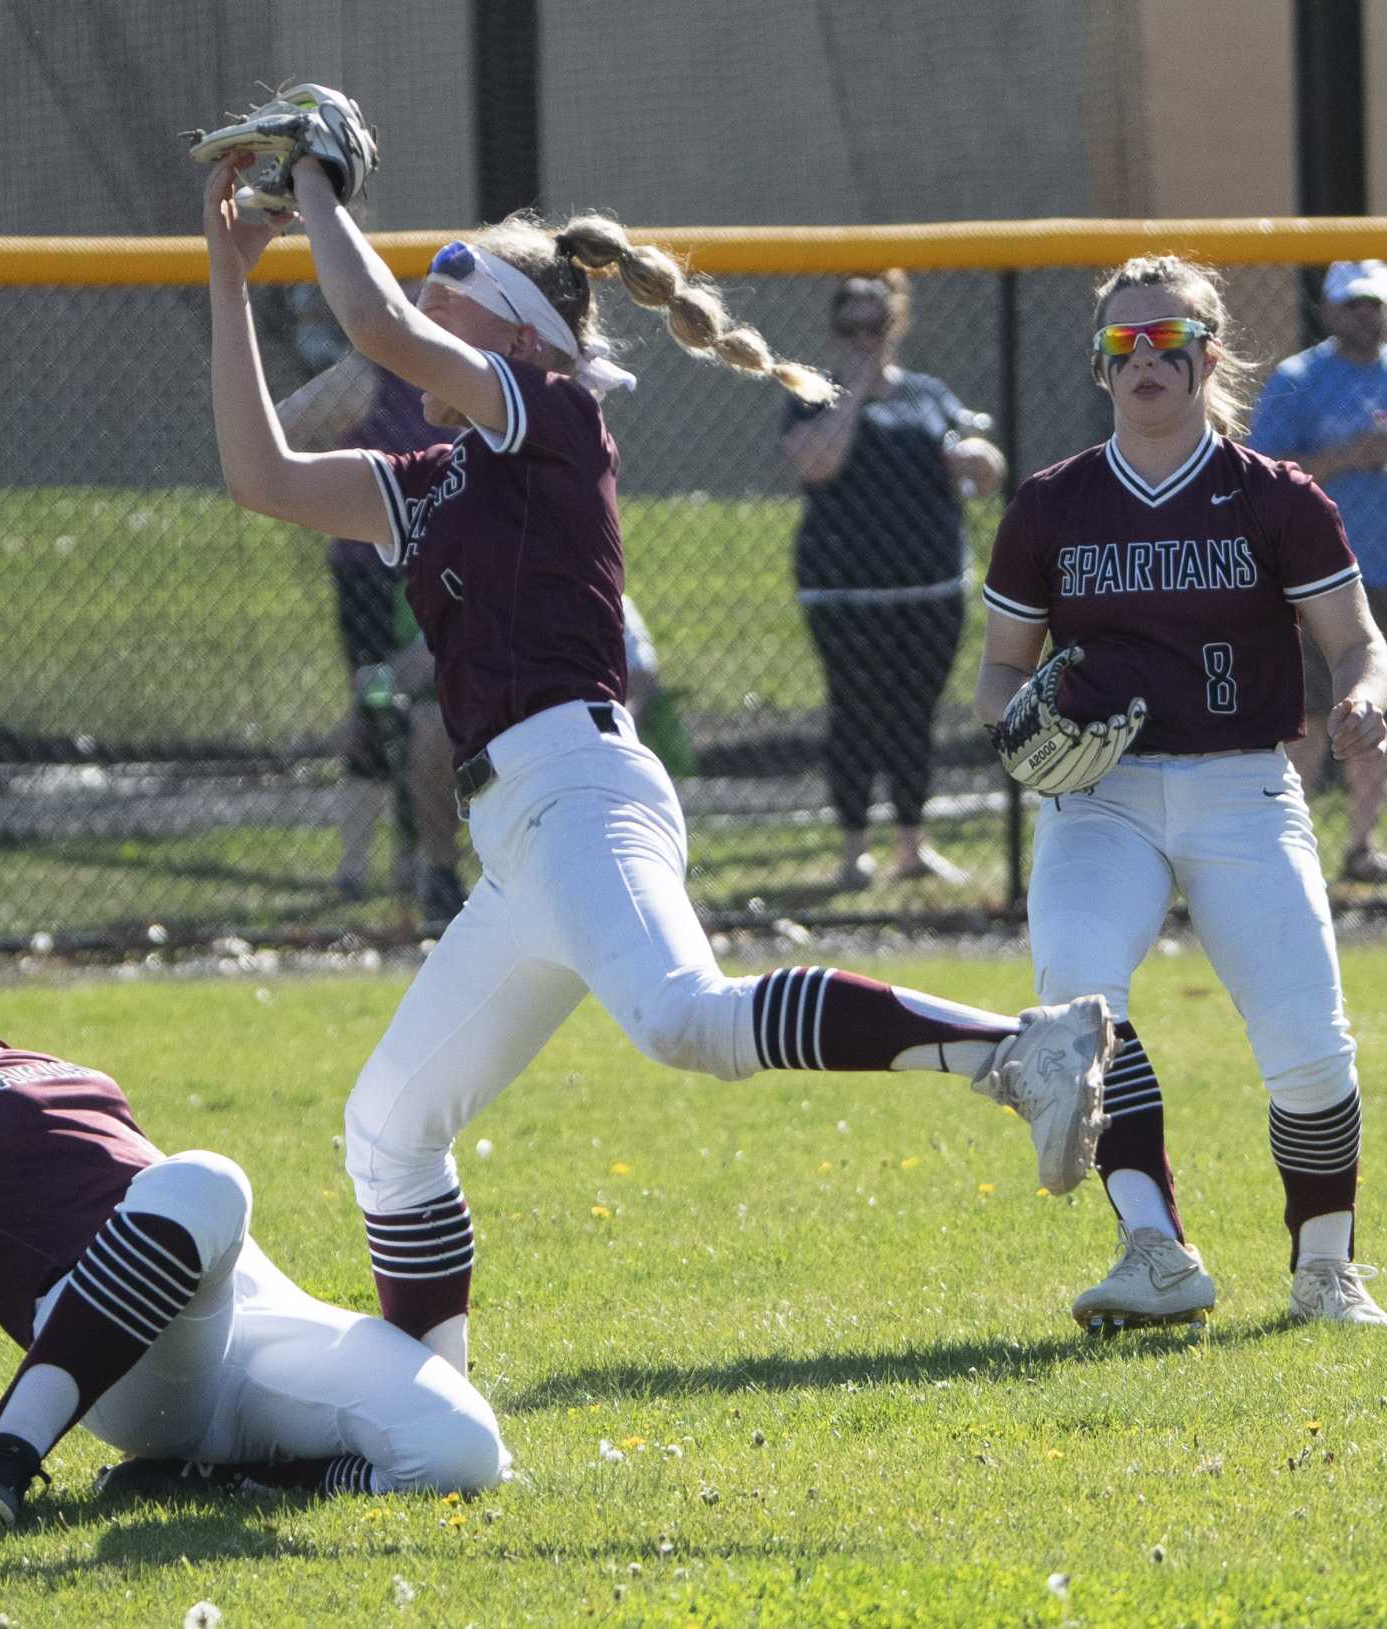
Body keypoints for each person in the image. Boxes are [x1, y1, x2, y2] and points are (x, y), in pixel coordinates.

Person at [201, 127, 1118, 1379]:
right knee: (388, 1126)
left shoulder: (554, 413)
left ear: (517, 334)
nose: (423, 309)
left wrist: (313, 178)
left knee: (684, 1021)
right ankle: (430, 1408)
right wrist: (224, 263)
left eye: (450, 296)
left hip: (576, 790)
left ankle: (1021, 1049)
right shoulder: (439, 471)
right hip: (517, 835)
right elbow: (257, 477)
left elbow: (376, 332)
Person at [0, 872, 509, 1528]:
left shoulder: (33, 1057)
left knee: (463, 1452)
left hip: (241, 1301)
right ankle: (3, 1453)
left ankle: (208, 1480)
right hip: (125, 1361)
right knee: (207, 1178)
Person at [975, 255, 1387, 1333]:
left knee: (1308, 1048)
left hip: (1238, 786)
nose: (1145, 360)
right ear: (1099, 365)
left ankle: (1322, 1269)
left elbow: (1355, 643)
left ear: (1210, 355)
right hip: (1099, 799)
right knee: (1076, 1010)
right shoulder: (1051, 503)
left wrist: (1360, 701)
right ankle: (1154, 1253)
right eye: (1123, 344)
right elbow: (997, 669)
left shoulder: (1273, 496)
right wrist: (1018, 724)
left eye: (1169, 340)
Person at [1249, 259, 1387, 886]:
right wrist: (1349, 455)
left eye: (1374, 302)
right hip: (1310, 577)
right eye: (1352, 303)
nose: (1364, 314)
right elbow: (1265, 474)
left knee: (1383, 710)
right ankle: (1292, 852)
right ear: (1327, 311)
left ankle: (1361, 846)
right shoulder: (1299, 380)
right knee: (1309, 713)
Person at [780, 271, 1007, 891]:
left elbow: (983, 469)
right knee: (854, 714)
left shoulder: (929, 393)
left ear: (895, 326)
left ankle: (912, 847)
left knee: (914, 716)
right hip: (843, 591)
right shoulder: (812, 395)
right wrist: (852, 392)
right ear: (832, 331)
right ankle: (855, 851)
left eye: (874, 325)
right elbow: (817, 464)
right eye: (849, 327)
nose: (862, 338)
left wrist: (980, 461)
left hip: (929, 588)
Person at [275, 300, 467, 920]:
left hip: (437, 570)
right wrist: (337, 489)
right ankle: (358, 870)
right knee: (377, 706)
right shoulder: (370, 374)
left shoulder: (468, 375)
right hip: (370, 577)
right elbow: (282, 430)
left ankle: (420, 866)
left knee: (431, 711)